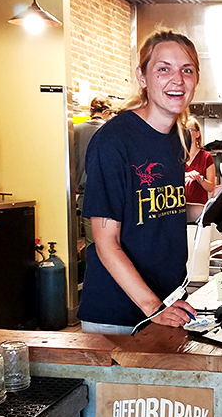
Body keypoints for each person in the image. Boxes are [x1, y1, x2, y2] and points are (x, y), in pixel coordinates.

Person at [77, 30, 200, 335]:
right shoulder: (114, 141)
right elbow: (106, 242)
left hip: (166, 304)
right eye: (163, 69)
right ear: (142, 77)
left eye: (187, 70)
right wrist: (153, 308)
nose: (178, 79)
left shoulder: (176, 138)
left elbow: (159, 210)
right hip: (119, 316)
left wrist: (214, 208)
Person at [74, 95, 111, 247]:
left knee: (92, 245)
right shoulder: (112, 130)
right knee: (112, 245)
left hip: (86, 194)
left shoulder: (74, 130)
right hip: (110, 195)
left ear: (90, 110)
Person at [185, 116, 216, 207]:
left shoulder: (206, 157)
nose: (186, 134)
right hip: (180, 208)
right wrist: (186, 175)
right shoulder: (176, 156)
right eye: (184, 130)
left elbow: (211, 187)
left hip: (199, 207)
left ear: (197, 134)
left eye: (190, 130)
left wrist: (200, 179)